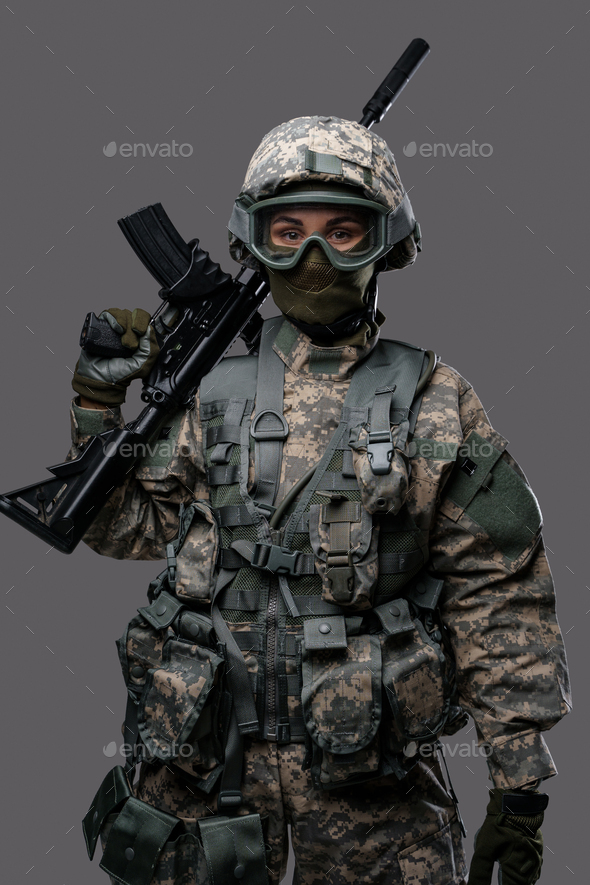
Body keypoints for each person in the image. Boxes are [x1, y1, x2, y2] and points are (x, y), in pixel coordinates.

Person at [71, 116, 571, 885]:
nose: (313, 258)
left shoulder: (436, 402)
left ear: (388, 244)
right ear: (253, 242)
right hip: (199, 776)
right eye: (287, 231)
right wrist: (98, 405)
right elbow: (127, 529)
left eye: (344, 231)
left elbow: (500, 595)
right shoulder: (210, 392)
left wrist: (519, 781)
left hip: (370, 788)